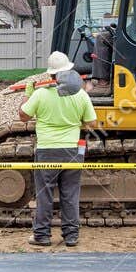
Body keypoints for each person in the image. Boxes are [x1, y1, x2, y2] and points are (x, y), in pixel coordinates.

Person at [19, 50, 98, 247]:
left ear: (51, 75)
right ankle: (71, 236)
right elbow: (92, 123)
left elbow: (23, 116)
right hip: (72, 150)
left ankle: (42, 236)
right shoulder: (81, 95)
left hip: (46, 151)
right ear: (69, 71)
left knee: (45, 195)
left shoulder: (40, 94)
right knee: (70, 194)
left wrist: (27, 96)